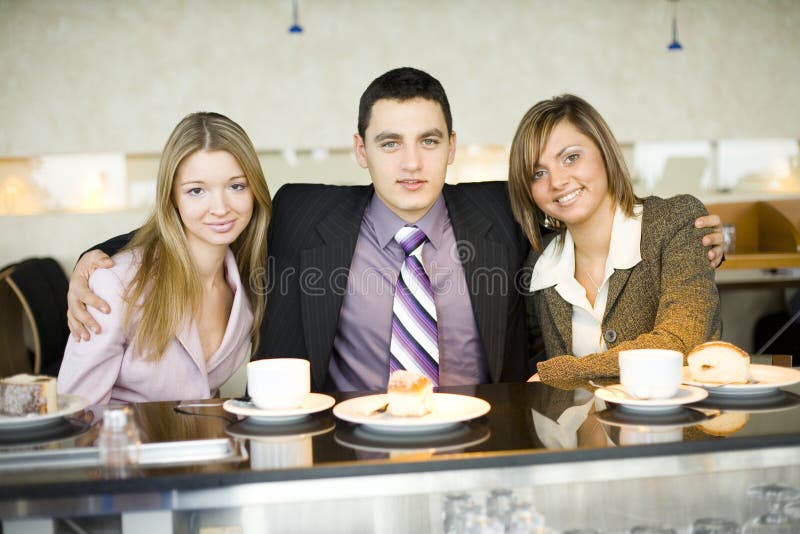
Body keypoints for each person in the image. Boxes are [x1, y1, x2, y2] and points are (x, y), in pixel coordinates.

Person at [65, 68, 724, 393]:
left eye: (428, 141)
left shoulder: (502, 209)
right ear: (360, 150)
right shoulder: (301, 212)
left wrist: (698, 238)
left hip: (482, 448)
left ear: (452, 147)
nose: (411, 163)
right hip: (344, 455)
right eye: (390, 143)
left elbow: (590, 209)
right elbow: (210, 216)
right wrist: (101, 255)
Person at [58, 112, 271, 404]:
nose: (221, 208)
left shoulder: (250, 282)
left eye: (236, 186)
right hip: (123, 434)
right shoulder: (115, 283)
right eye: (197, 191)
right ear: (172, 197)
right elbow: (76, 411)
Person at [507, 94, 721, 383]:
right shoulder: (540, 261)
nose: (557, 181)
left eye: (571, 158)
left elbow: (680, 344)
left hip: (679, 412)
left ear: (604, 151)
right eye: (538, 173)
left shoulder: (675, 222)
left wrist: (563, 372)